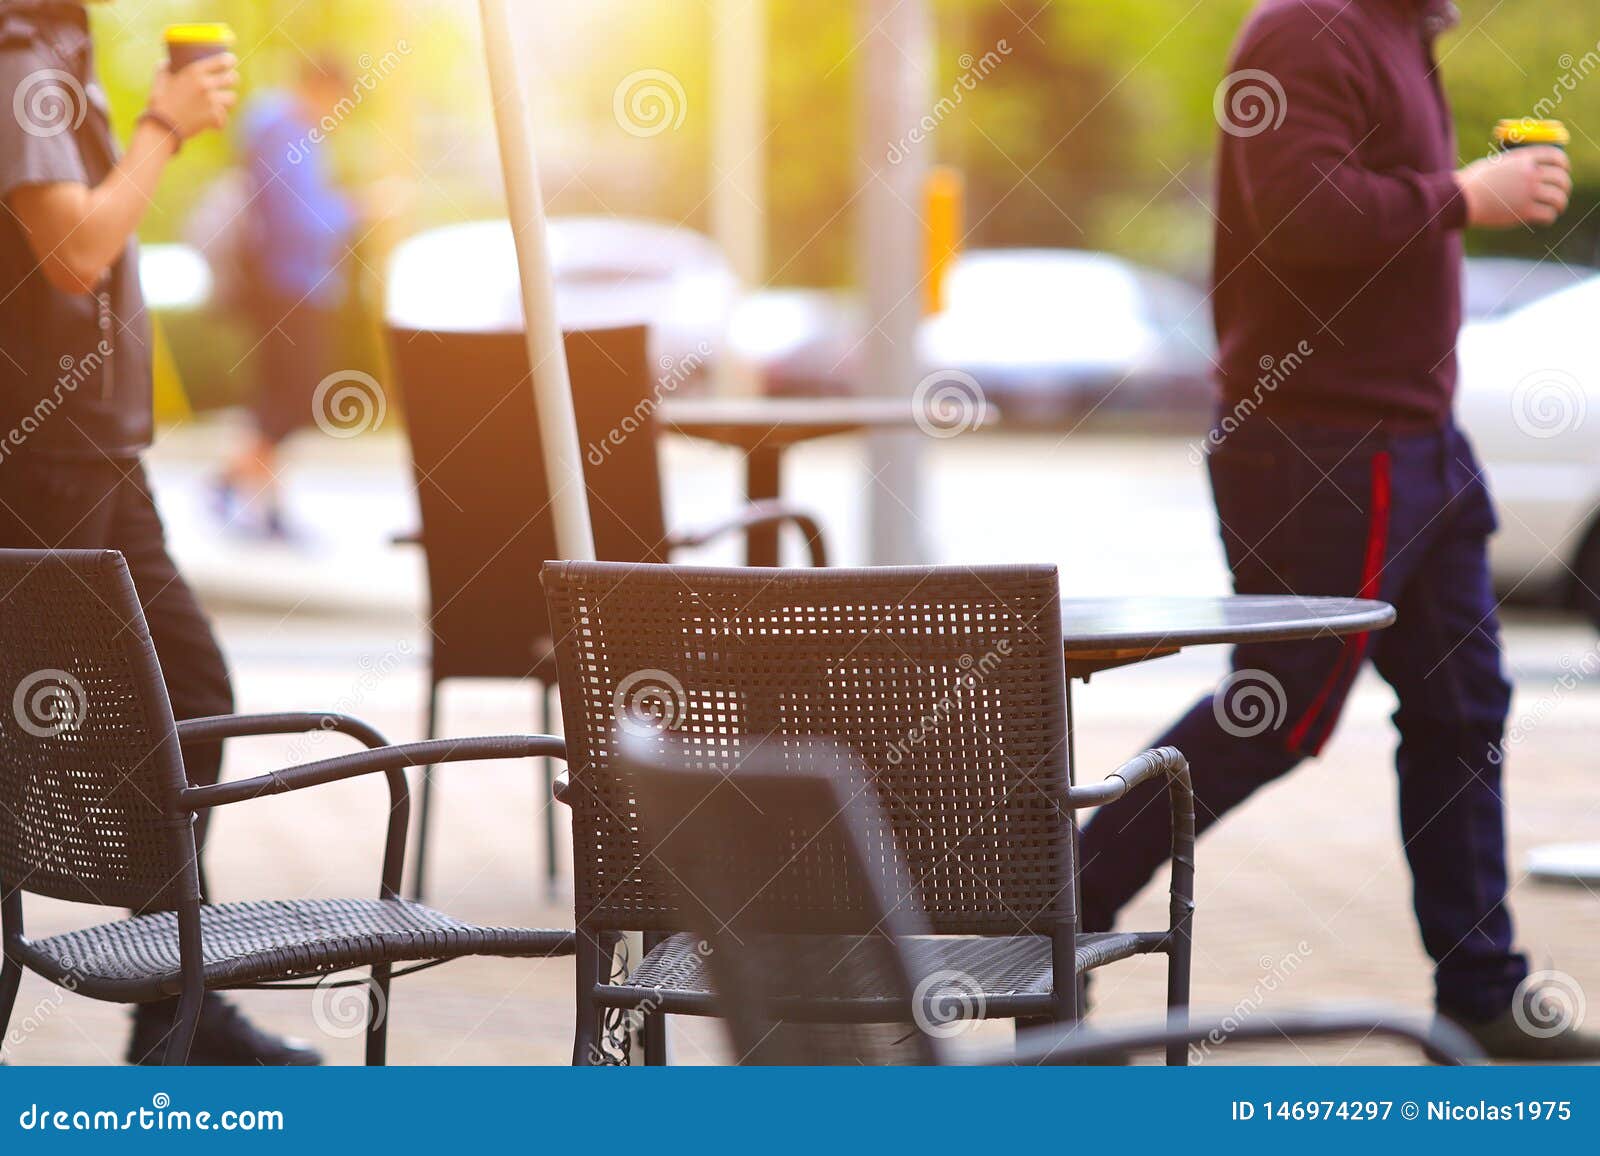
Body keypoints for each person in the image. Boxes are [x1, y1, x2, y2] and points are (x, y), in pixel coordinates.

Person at [1079, 0, 1599, 1060]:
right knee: (1280, 710)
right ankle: (1058, 908)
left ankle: (1480, 996)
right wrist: (1462, 193)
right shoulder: (1303, 29)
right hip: (1320, 440)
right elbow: (1303, 216)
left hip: (1420, 440)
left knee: (1464, 706)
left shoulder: (1404, 30)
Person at [0, 0, 319, 1065]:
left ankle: (177, 1008)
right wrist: (164, 128)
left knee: (177, 697)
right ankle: (177, 1009)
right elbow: (76, 251)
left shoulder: (53, 53)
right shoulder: (16, 54)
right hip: (53, 462)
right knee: (113, 715)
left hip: (91, 452)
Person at [213, 53, 357, 537]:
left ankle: (260, 501)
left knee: (279, 399)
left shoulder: (278, 126)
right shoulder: (285, 129)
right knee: (290, 398)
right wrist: (360, 210)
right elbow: (298, 219)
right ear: (322, 86)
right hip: (289, 286)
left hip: (288, 284)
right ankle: (238, 486)